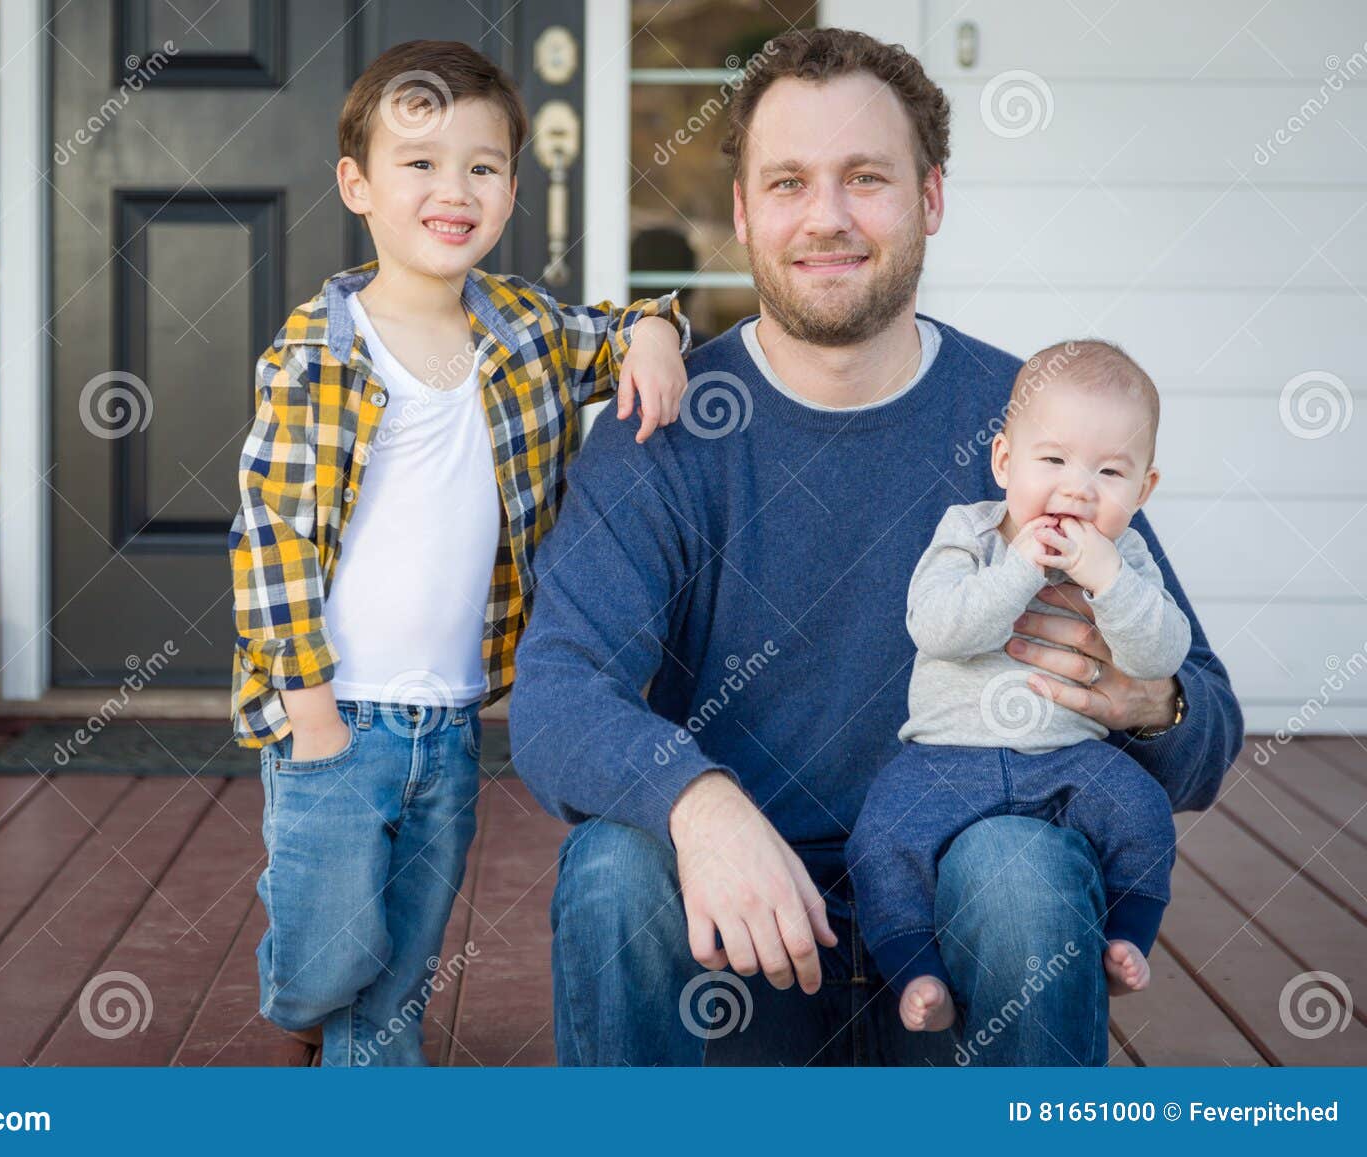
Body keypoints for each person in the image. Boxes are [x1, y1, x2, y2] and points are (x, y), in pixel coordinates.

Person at [509, 27, 1242, 1066]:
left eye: (865, 177)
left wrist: (1151, 702)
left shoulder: (1030, 424)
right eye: (789, 182)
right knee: (611, 874)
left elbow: (1209, 727)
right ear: (742, 212)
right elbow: (555, 692)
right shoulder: (665, 435)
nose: (827, 217)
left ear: (930, 198)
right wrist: (696, 800)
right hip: (744, 931)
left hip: (954, 938)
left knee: (1024, 871)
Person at [227, 40, 691, 1066]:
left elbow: (613, 328)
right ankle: (297, 977)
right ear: (357, 185)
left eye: (481, 166)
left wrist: (653, 333)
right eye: (420, 162)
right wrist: (305, 711)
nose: (454, 189)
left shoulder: (520, 330)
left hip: (449, 717)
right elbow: (273, 538)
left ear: (513, 188)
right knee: (324, 958)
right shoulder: (316, 353)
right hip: (331, 712)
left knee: (401, 959)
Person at [847, 340, 1188, 1034]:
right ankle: (915, 970)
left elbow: (1163, 652)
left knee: (1144, 810)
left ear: (1143, 490)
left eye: (1110, 471)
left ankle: (1127, 933)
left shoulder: (1124, 557)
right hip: (945, 758)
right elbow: (937, 627)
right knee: (881, 835)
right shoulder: (968, 534)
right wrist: (1020, 571)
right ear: (1005, 461)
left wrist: (1110, 581)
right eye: (1054, 460)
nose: (1078, 488)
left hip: (1067, 762)